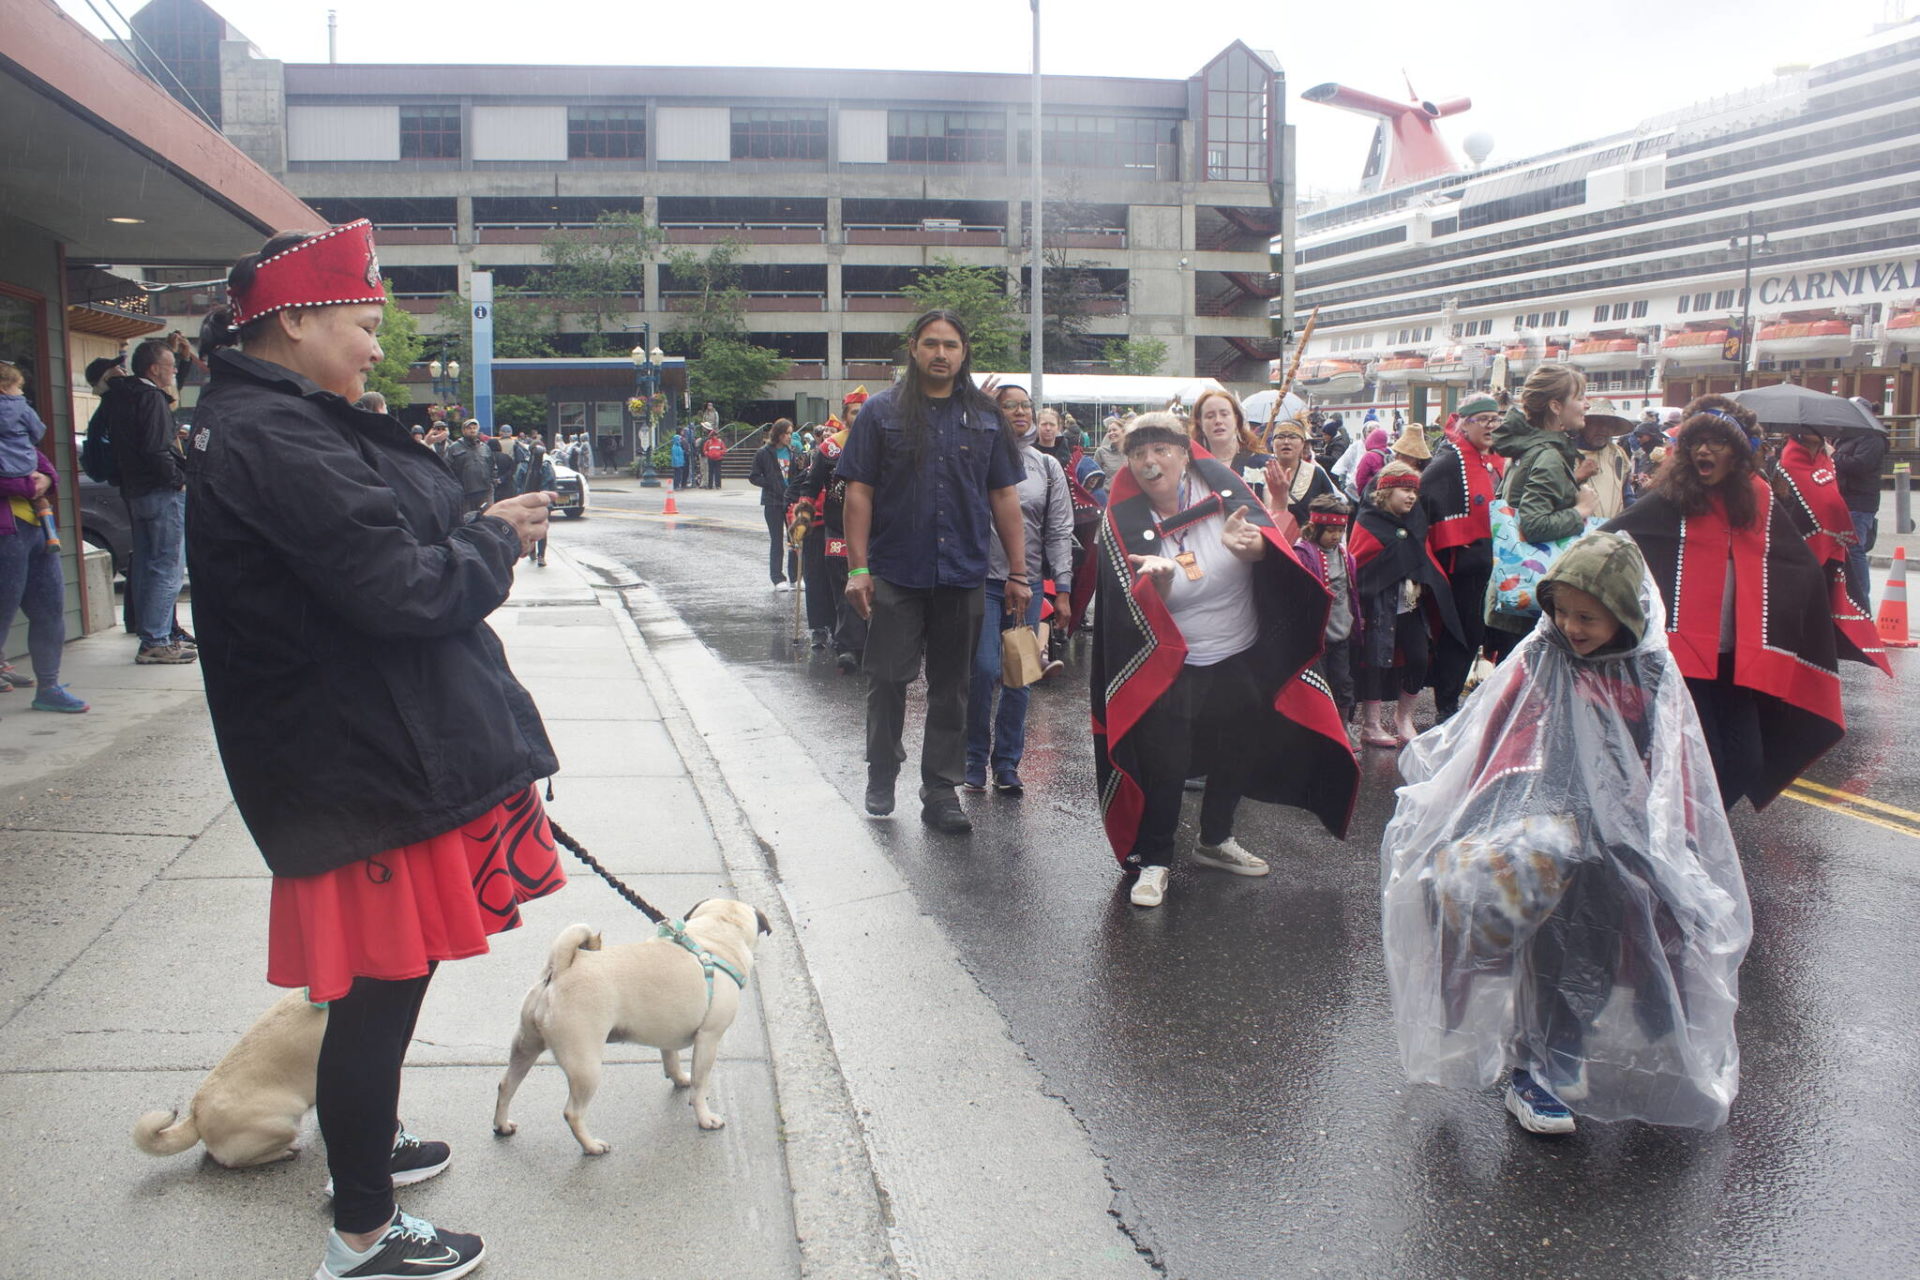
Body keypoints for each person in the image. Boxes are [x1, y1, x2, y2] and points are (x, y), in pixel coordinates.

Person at [186, 220, 564, 1280]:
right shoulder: (276, 436)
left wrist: (473, 520)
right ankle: (361, 1229)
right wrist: (491, 537)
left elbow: (392, 540)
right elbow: (402, 588)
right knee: (376, 991)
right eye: (361, 323)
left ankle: (367, 1136)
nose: (373, 347)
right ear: (296, 319)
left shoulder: (283, 419)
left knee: (383, 984)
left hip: (357, 751)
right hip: (354, 760)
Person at [1382, 531, 1751, 1136]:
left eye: (1588, 616)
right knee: (1551, 946)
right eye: (1561, 612)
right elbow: (1495, 738)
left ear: (1623, 614)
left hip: (1619, 837)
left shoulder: (1651, 670)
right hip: (1544, 822)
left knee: (1611, 944)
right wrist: (1469, 813)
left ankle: (1578, 1047)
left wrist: (1665, 843)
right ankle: (1542, 1065)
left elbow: (1668, 767)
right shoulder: (1542, 656)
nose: (1571, 626)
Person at [1089, 412, 1358, 908]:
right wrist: (1158, 587)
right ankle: (1155, 860)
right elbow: (1121, 618)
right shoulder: (1121, 519)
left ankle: (1215, 839)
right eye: (1139, 453)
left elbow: (1275, 555)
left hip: (1240, 653)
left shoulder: (1226, 491)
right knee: (1165, 764)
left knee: (1236, 749)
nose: (1151, 462)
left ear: (1185, 453)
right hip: (1172, 665)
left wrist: (1259, 547)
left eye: (1161, 450)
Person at [1605, 396, 1853, 808]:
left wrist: (1811, 599)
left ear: (1738, 452)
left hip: (1738, 659)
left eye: (1715, 443)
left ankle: (1693, 830)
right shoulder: (1673, 496)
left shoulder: (1758, 496)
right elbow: (1614, 540)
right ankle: (1685, 840)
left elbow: (1796, 562)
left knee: (1744, 763)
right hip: (1682, 659)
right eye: (1696, 442)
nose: (1704, 451)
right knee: (1704, 758)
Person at [837, 310, 1028, 834]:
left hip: (964, 573)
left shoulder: (987, 416)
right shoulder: (880, 413)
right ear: (913, 348)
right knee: (888, 678)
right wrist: (858, 568)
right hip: (896, 570)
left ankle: (940, 790)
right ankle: (882, 771)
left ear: (964, 352)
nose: (940, 354)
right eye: (930, 344)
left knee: (954, 686)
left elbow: (1004, 496)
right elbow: (859, 492)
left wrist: (1019, 572)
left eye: (950, 345)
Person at [965, 384, 1074, 794]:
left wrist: (1061, 589)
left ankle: (1007, 763)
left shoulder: (1046, 466)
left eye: (1025, 405)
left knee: (1019, 675)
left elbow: (1059, 531)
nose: (1020, 412)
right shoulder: (973, 459)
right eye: (1008, 405)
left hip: (1025, 588)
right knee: (984, 669)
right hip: (978, 582)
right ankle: (974, 757)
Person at [1485, 364, 1599, 652]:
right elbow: (1534, 525)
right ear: (1556, 406)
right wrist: (1581, 511)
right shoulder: (1548, 455)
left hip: (1516, 591)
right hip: (1535, 598)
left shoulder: (1526, 449)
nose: (1586, 404)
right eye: (1580, 397)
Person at [1351, 462, 1461, 747]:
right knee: (1375, 662)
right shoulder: (1368, 522)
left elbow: (1422, 558)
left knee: (1418, 658)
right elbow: (1361, 565)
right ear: (1387, 491)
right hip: (1378, 605)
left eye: (1414, 490)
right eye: (1405, 489)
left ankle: (1403, 719)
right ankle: (1371, 724)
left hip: (1410, 604)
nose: (1412, 496)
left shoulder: (1415, 521)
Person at [104, 337, 195, 664]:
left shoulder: (122, 396)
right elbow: (157, 448)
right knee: (167, 566)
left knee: (145, 564)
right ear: (155, 369)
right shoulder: (152, 399)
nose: (173, 373)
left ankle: (151, 633)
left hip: (135, 490)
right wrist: (178, 481)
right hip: (160, 491)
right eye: (170, 366)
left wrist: (183, 360)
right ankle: (156, 640)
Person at [1420, 393, 1504, 720]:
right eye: (1484, 419)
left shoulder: (1488, 458)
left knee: (1479, 633)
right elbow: (1425, 498)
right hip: (1462, 563)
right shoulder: (1449, 459)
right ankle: (1446, 704)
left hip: (1488, 560)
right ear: (1465, 423)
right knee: (1460, 633)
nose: (1491, 426)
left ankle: (1455, 697)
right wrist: (1454, 540)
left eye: (1495, 419)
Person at [0, 446, 87, 712]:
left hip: (38, 529)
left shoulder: (11, 425)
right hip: (6, 534)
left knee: (50, 611)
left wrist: (47, 478)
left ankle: (49, 687)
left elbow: (41, 462)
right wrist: (29, 483)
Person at [1293, 493, 1361, 726]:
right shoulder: (1303, 554)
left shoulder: (1345, 556)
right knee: (1318, 684)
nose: (1336, 536)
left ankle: (1343, 726)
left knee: (1343, 681)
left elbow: (1352, 593)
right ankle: (1321, 727)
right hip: (1315, 635)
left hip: (1341, 631)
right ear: (1316, 527)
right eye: (1330, 530)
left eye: (1340, 531)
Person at [1832, 403, 1887, 610]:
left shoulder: (1872, 438)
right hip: (1846, 498)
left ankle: (1861, 599)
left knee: (1855, 549)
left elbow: (1860, 466)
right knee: (1846, 549)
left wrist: (1833, 455)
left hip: (1860, 501)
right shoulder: (1847, 437)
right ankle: (1848, 596)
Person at [0, 362, 57, 539]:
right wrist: (34, 484)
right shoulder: (23, 408)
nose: (22, 392)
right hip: (12, 528)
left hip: (26, 524)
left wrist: (49, 478)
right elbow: (38, 431)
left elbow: (47, 470)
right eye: (19, 387)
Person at [1188, 388, 1272, 499]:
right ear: (1200, 422)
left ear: (1236, 419)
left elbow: (1273, 511)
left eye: (1224, 414)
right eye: (1210, 416)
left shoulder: (1262, 464)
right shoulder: (1191, 467)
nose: (1218, 421)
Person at [1260, 415, 1337, 529]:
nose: (1286, 442)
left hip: (1305, 544)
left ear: (1302, 443)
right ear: (1273, 443)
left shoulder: (1316, 473)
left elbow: (1332, 511)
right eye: (1280, 437)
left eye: (1292, 437)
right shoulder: (1259, 472)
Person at [751, 419, 801, 590]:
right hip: (772, 502)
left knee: (795, 539)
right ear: (778, 434)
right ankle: (777, 577)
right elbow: (754, 476)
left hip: (790, 501)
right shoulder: (764, 453)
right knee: (777, 541)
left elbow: (796, 475)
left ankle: (795, 576)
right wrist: (770, 483)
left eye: (790, 433)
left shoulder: (792, 452)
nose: (789, 436)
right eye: (786, 433)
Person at [515, 441, 558, 567]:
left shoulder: (541, 465)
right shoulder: (526, 465)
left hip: (536, 502)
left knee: (538, 528)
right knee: (535, 529)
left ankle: (538, 554)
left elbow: (550, 484)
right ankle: (536, 553)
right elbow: (519, 483)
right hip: (533, 501)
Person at [446, 418, 493, 514]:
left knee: (486, 519)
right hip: (464, 493)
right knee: (467, 520)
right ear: (463, 431)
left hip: (484, 491)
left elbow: (492, 465)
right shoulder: (453, 448)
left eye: (475, 428)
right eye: (469, 428)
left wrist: (493, 481)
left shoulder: (485, 447)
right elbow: (446, 469)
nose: (472, 430)